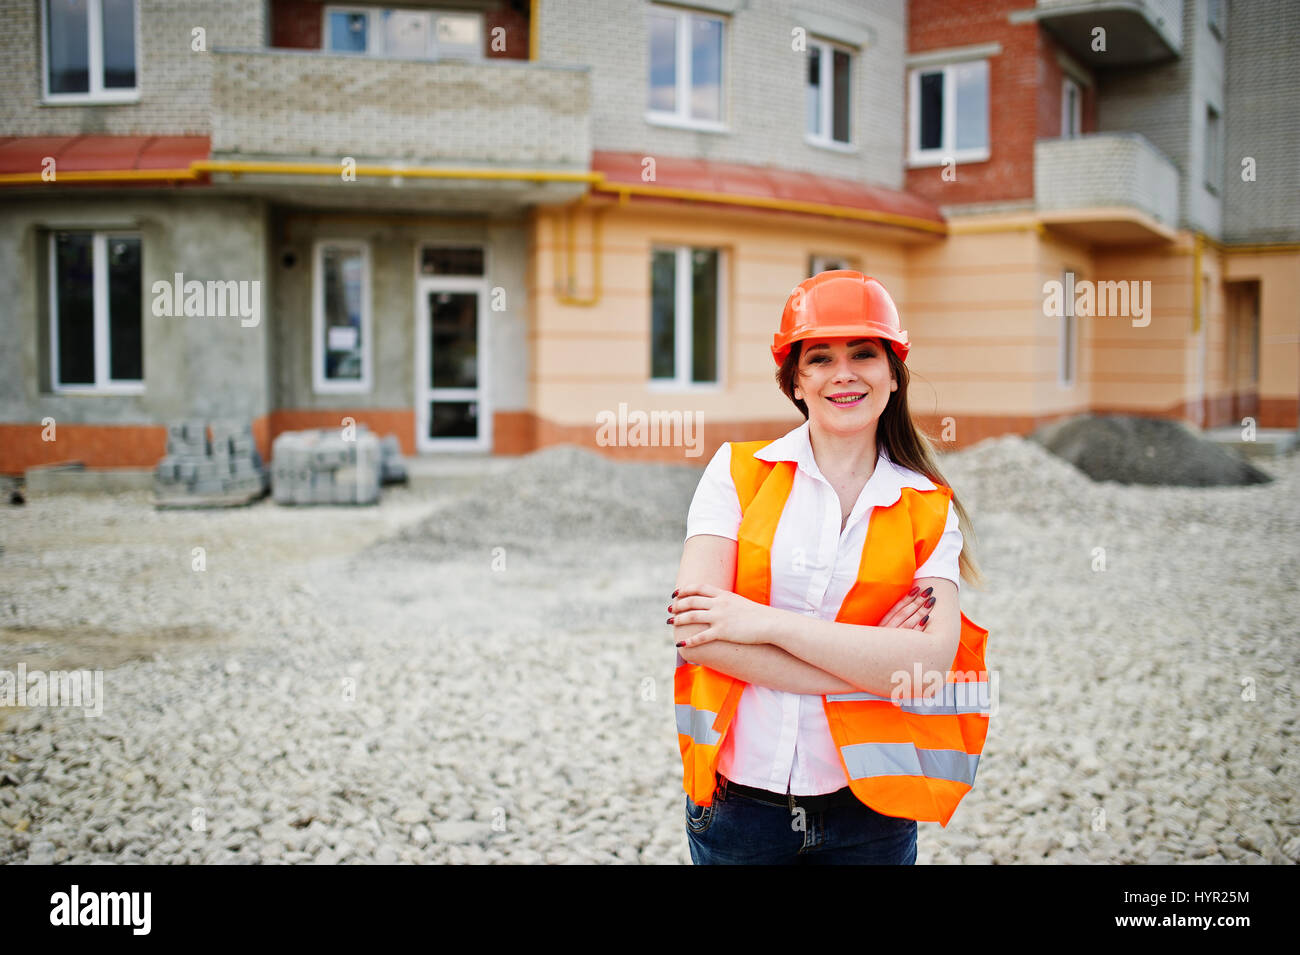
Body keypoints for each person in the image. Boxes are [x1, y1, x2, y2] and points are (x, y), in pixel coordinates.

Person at [668, 271, 991, 865]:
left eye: (864, 353)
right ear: (795, 379)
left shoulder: (926, 507)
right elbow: (697, 636)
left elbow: (925, 667)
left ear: (893, 375)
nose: (844, 373)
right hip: (740, 809)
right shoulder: (736, 475)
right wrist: (869, 663)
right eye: (820, 357)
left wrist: (760, 622)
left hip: (870, 810)